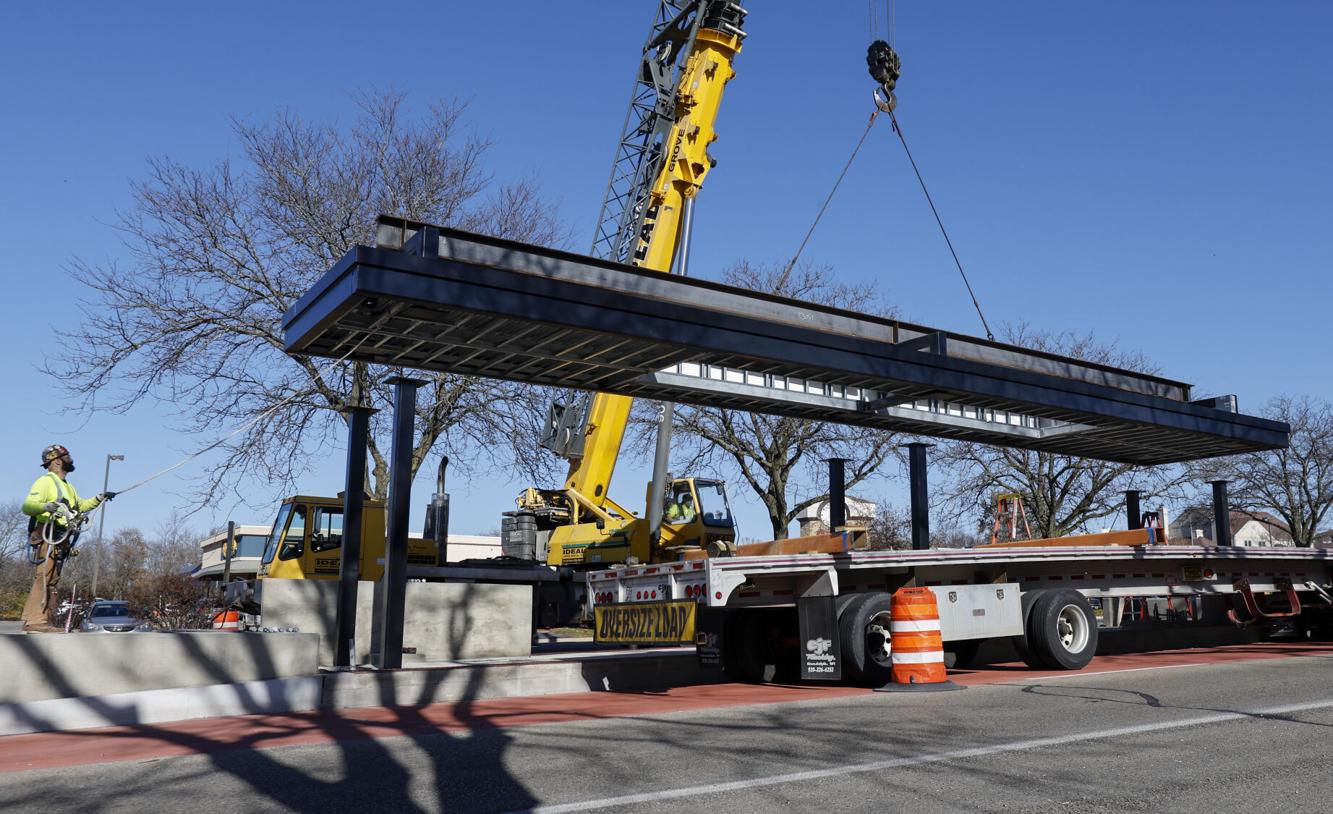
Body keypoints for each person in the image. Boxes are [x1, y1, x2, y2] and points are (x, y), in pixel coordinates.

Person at [20, 445, 116, 633]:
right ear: (56, 460)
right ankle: (34, 620)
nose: (71, 458)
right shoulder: (46, 481)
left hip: (60, 537)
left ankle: (45, 620)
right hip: (47, 534)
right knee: (43, 576)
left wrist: (100, 497)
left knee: (53, 579)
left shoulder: (68, 487)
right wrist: (45, 507)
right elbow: (28, 506)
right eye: (67, 456)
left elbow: (81, 506)